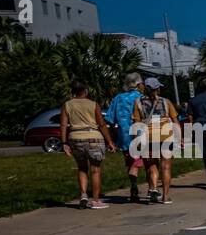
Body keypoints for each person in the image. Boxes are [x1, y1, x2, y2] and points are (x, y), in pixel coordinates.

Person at [60, 80, 117, 210]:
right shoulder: (93, 104)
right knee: (95, 170)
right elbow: (102, 124)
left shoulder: (67, 105)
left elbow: (63, 124)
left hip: (75, 138)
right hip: (93, 138)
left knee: (82, 168)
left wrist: (64, 143)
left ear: (72, 92)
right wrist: (110, 141)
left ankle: (83, 195)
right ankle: (95, 200)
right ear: (85, 91)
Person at [132, 77, 181, 204]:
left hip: (148, 137)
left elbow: (136, 123)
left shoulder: (138, 103)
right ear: (157, 88)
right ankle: (165, 196)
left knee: (151, 165)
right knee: (166, 167)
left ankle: (153, 188)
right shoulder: (166, 102)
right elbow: (175, 121)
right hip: (166, 136)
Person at [105, 72, 145, 202]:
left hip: (124, 135)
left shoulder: (118, 98)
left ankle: (133, 184)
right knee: (147, 163)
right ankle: (151, 188)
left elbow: (110, 119)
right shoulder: (141, 97)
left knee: (131, 162)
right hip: (140, 134)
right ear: (138, 84)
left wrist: (112, 138)